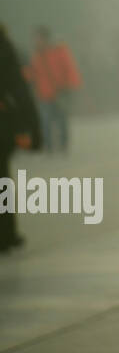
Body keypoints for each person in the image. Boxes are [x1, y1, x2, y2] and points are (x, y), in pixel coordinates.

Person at [1, 23, 43, 252]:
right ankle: (6, 232)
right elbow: (19, 90)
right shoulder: (4, 47)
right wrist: (33, 128)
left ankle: (6, 232)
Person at [24, 26, 81, 154]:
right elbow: (31, 73)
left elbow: (69, 69)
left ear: (46, 38)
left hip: (60, 92)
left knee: (62, 120)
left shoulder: (59, 51)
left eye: (38, 38)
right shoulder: (36, 56)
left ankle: (63, 145)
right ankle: (48, 147)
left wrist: (70, 86)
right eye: (35, 39)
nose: (36, 42)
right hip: (44, 95)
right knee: (45, 122)